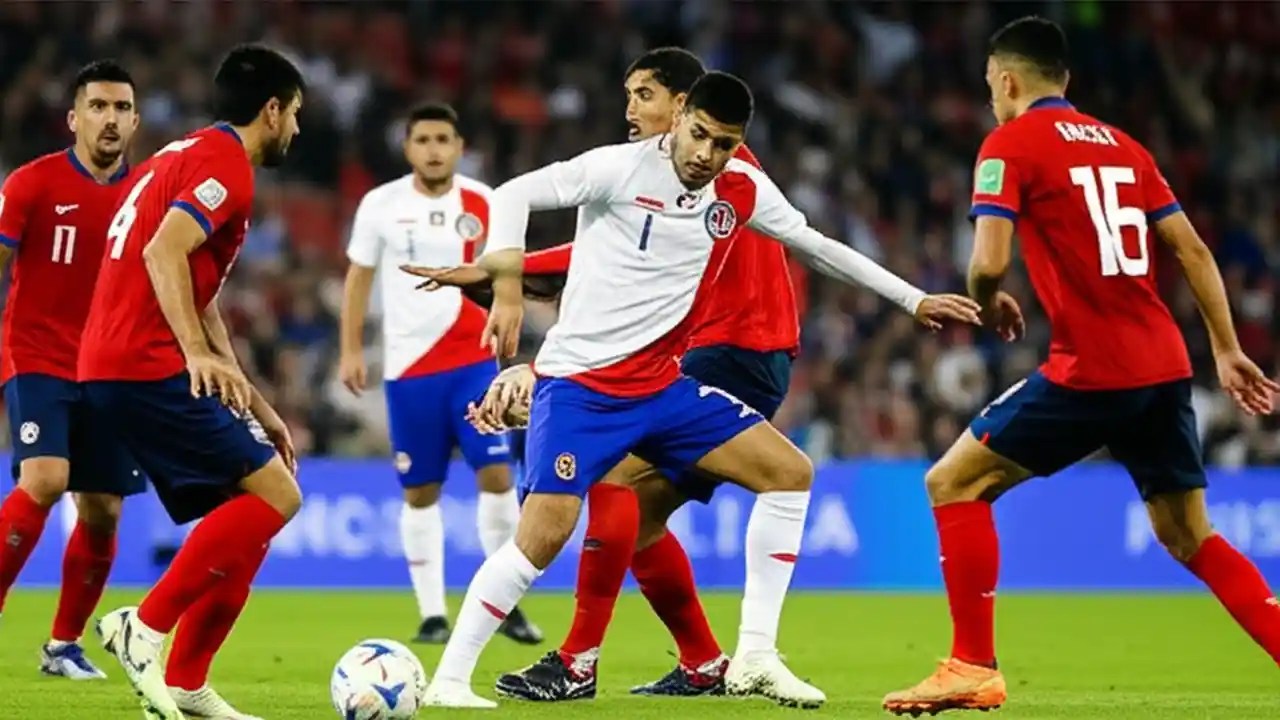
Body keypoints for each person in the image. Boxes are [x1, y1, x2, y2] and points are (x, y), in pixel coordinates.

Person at [416, 71, 980, 709]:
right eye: (700, 136)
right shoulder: (617, 169)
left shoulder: (739, 186)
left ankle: (755, 656)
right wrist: (510, 292)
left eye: (724, 144)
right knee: (542, 537)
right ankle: (450, 682)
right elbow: (514, 194)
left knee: (790, 473)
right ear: (682, 117)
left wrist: (913, 299)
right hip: (582, 393)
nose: (706, 156)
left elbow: (816, 246)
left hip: (663, 391)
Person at [882, 17, 1280, 715]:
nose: (990, 98)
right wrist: (1226, 347)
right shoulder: (1127, 147)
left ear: (1007, 80)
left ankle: (971, 665)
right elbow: (1190, 250)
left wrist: (988, 298)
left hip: (1093, 369)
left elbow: (988, 261)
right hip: (1162, 365)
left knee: (953, 483)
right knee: (1191, 535)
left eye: (990, 85)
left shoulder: (1008, 143)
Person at [80, 45, 305, 720]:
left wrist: (255, 401)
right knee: (277, 496)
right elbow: (163, 250)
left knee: (248, 515)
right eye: (295, 114)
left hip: (118, 362)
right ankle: (142, 629)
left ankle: (186, 685)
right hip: (142, 361)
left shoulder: (178, 155)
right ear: (272, 110)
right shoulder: (225, 165)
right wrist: (192, 355)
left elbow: (198, 291)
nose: (296, 129)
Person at [338, 102, 540, 646]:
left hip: (475, 362)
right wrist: (351, 349)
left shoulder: (485, 200)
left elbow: (507, 271)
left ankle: (505, 605)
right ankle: (432, 613)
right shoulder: (381, 204)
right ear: (408, 148)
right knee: (420, 492)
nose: (433, 149)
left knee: (497, 477)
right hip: (408, 369)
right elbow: (358, 279)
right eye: (422, 139)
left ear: (458, 146)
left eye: (443, 139)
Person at [0, 60, 141, 680]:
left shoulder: (148, 201)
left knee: (105, 509)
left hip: (109, 367)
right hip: (36, 355)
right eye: (98, 107)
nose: (109, 119)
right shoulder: (32, 184)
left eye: (121, 109)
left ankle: (63, 646)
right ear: (74, 118)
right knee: (46, 479)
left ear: (135, 121)